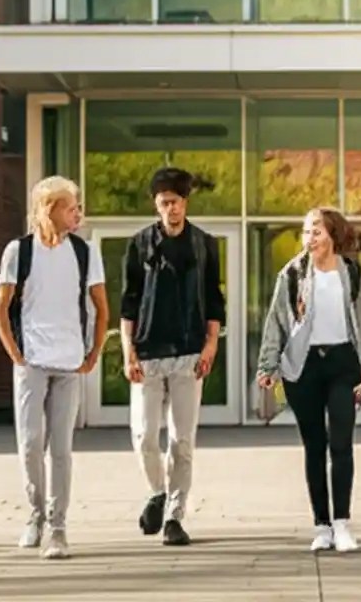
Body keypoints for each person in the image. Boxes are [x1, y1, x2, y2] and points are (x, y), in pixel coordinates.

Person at [0, 176, 110, 560]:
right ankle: (35, 515)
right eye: (71, 207)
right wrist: (14, 352)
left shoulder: (85, 251)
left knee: (60, 448)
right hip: (32, 362)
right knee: (30, 444)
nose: (78, 213)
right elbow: (1, 306)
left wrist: (94, 351)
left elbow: (100, 306)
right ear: (50, 209)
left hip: (69, 362)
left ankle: (58, 528)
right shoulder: (19, 251)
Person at [256, 207, 361, 553]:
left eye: (317, 232)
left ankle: (342, 523)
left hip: (343, 363)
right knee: (314, 445)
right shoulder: (292, 273)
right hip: (303, 366)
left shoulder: (351, 272)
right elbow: (276, 321)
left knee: (341, 441)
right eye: (306, 232)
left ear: (333, 235)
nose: (310, 239)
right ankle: (321, 525)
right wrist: (268, 366)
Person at [121, 168, 225, 547]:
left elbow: (215, 300)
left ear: (186, 203)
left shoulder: (204, 244)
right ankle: (158, 493)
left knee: (182, 441)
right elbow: (128, 302)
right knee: (144, 435)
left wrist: (211, 345)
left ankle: (175, 518)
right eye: (164, 203)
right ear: (156, 204)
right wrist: (128, 350)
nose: (171, 209)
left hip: (188, 353)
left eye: (176, 202)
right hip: (146, 353)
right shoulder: (139, 245)